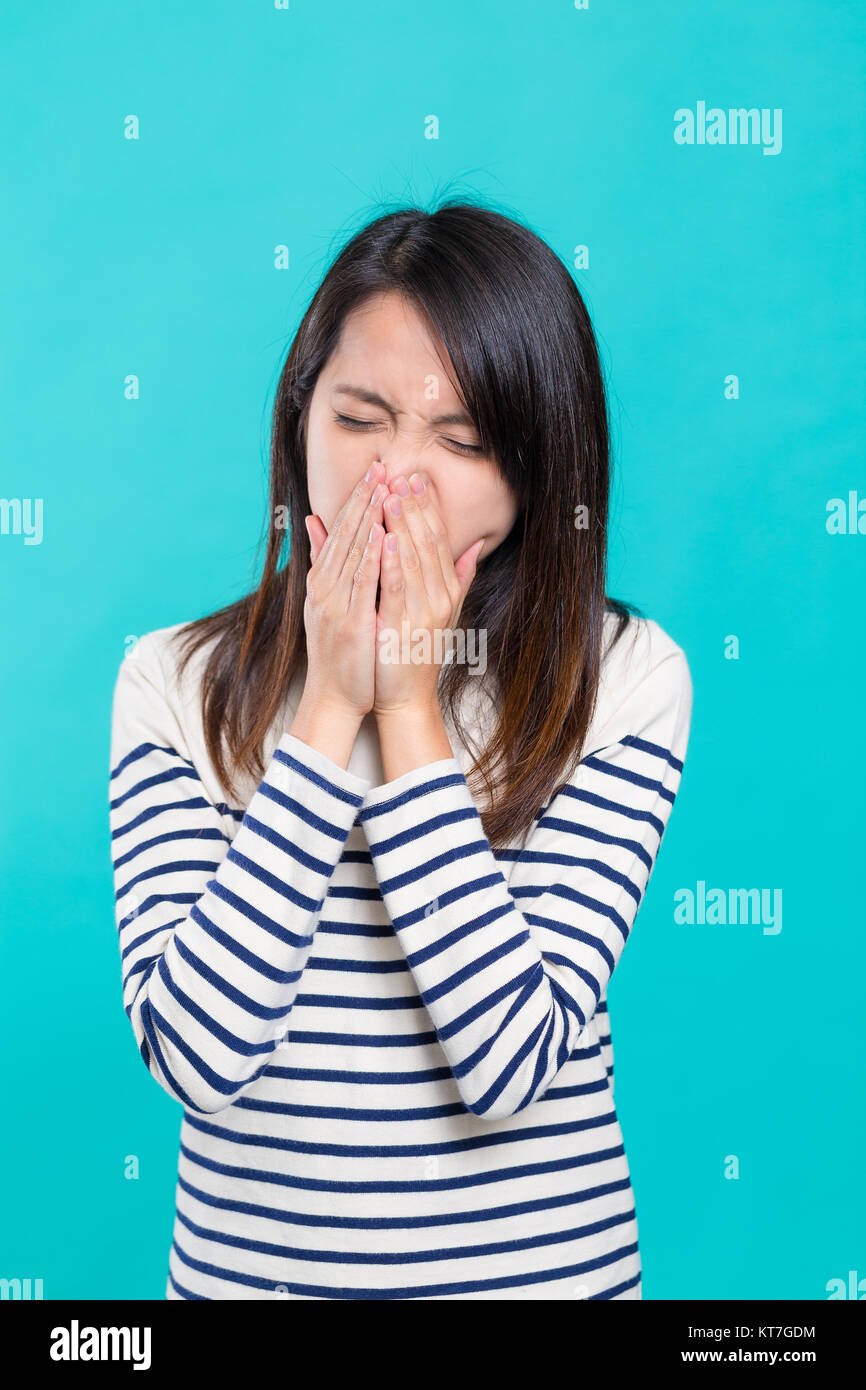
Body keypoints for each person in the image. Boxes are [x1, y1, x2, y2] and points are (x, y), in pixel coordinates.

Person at [108, 200, 693, 1300]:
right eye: (358, 419)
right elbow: (197, 1057)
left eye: (462, 440)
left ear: (533, 471)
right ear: (298, 426)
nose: (396, 480)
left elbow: (511, 1062)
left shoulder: (621, 678)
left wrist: (408, 708)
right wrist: (330, 705)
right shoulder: (171, 683)